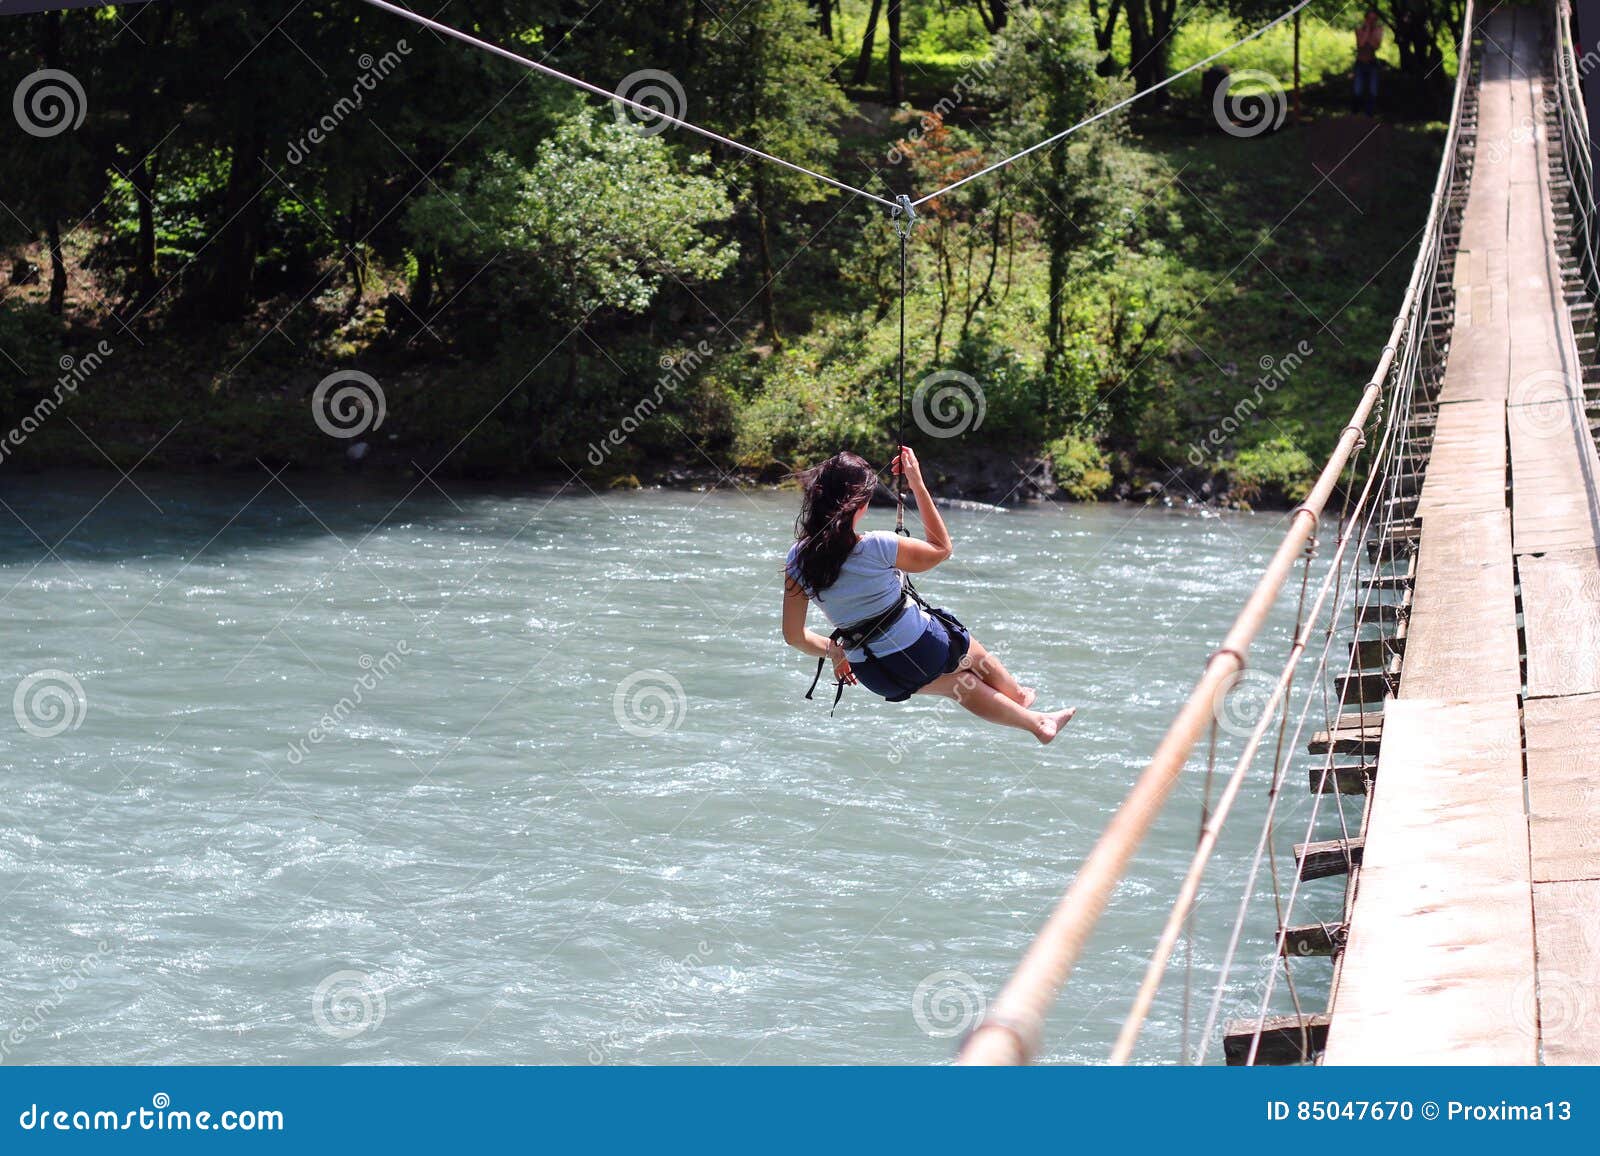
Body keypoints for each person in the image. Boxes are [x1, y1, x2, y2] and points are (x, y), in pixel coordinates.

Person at [781, 447, 1076, 744]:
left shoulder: (797, 560)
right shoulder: (876, 545)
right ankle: (1019, 697)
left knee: (960, 686)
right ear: (860, 505)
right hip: (921, 647)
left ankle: (1038, 724)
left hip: (876, 675)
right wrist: (917, 484)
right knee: (972, 651)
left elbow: (794, 637)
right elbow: (941, 549)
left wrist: (836, 650)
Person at [1354, 10, 1384, 117]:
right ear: (1365, 19)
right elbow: (1361, 44)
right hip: (1360, 62)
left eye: (1374, 19)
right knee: (1358, 90)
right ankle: (1356, 113)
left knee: (1373, 90)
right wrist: (1368, 31)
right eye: (1369, 19)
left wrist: (1369, 36)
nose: (1371, 22)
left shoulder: (1379, 29)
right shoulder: (1359, 29)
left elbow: (1376, 46)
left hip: (1372, 63)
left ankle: (1369, 115)